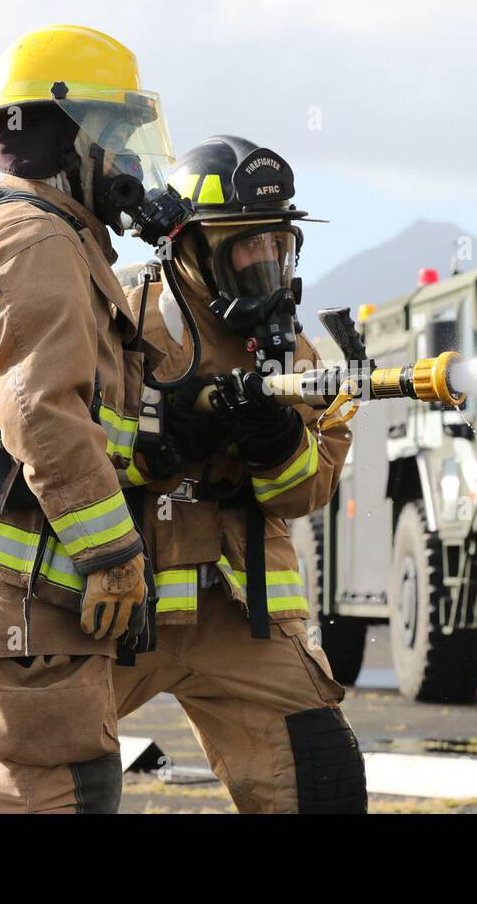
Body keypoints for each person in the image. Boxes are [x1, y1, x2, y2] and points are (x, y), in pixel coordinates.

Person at [0, 25, 174, 813]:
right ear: (67, 134)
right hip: (30, 606)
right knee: (55, 794)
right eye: (118, 137)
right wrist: (112, 554)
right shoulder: (36, 240)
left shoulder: (19, 231)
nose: (130, 163)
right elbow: (41, 409)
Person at [117, 135, 367, 813]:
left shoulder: (301, 356)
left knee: (322, 784)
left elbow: (305, 492)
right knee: (38, 775)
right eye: (245, 246)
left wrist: (273, 437)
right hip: (113, 611)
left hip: (237, 613)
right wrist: (163, 439)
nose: (265, 263)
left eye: (276, 245)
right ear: (189, 247)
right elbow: (52, 436)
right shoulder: (116, 316)